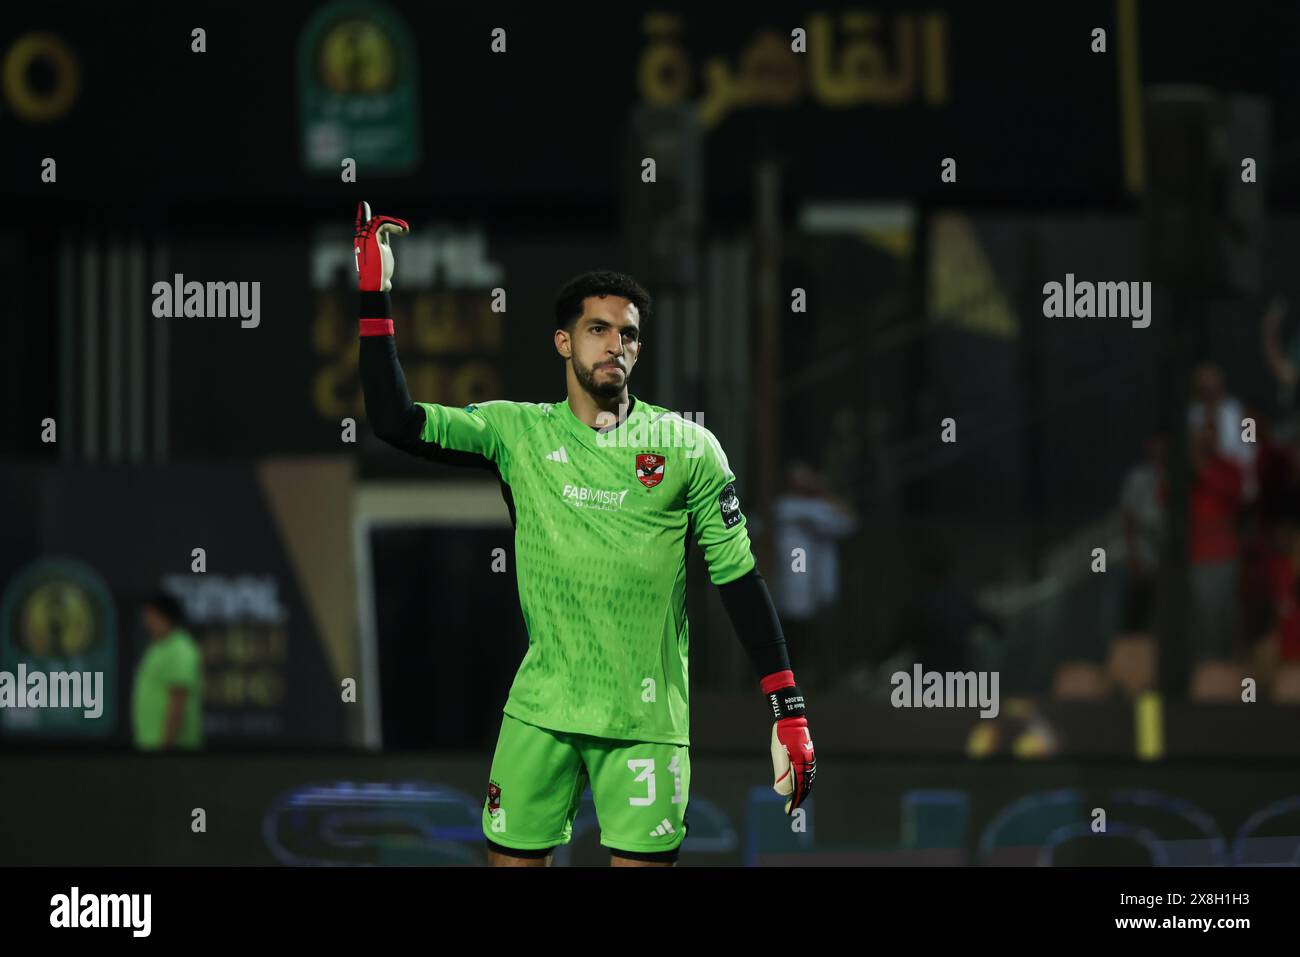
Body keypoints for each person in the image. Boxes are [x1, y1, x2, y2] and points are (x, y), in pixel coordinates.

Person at [353, 203, 815, 868]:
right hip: (542, 710)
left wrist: (787, 707)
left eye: (628, 334)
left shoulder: (689, 449)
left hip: (644, 727)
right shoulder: (517, 432)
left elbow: (740, 582)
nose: (615, 345)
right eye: (597, 329)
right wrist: (374, 297)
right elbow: (395, 420)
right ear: (564, 342)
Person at [770, 461, 857, 690]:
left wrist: (823, 494)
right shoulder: (786, 506)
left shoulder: (819, 506)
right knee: (793, 634)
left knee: (822, 633)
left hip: (820, 584)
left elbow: (849, 523)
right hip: (793, 585)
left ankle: (823, 679)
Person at [132, 593, 204, 750]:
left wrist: (167, 748)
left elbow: (178, 702)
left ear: (161, 615)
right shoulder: (156, 647)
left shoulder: (180, 649)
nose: (145, 619)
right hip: (150, 746)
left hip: (172, 751)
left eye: (149, 613)